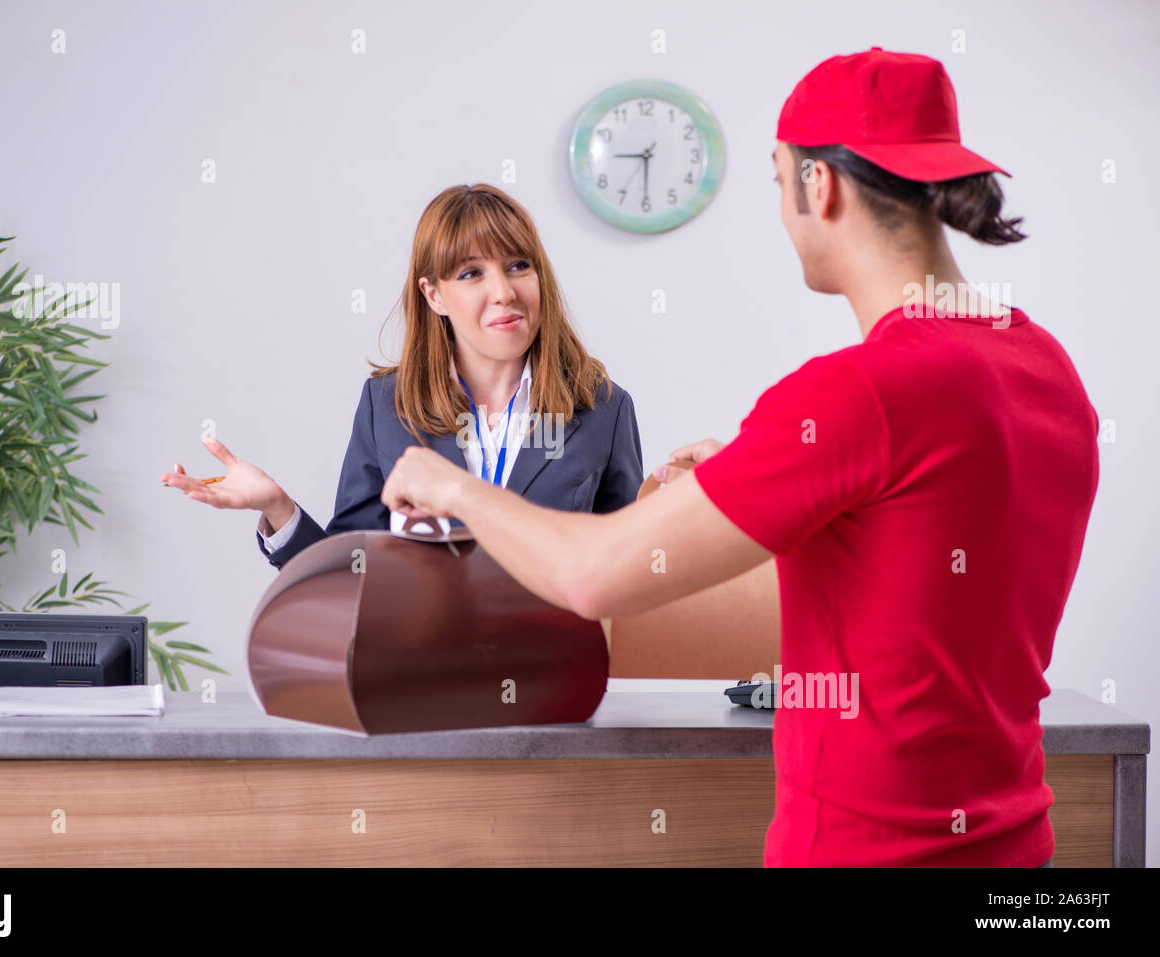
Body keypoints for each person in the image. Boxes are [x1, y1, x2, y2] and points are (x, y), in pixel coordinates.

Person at [379, 48, 1099, 867]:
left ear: (816, 187)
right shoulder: (1041, 363)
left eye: (776, 178)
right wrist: (770, 474)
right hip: (1019, 852)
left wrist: (452, 485)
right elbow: (925, 540)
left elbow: (594, 575)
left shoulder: (855, 395)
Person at [159, 184, 644, 569]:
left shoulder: (603, 409)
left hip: (550, 678)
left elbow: (625, 571)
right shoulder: (386, 406)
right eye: (471, 273)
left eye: (519, 266)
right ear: (434, 296)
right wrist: (278, 508)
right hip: (417, 676)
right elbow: (350, 576)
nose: (503, 292)